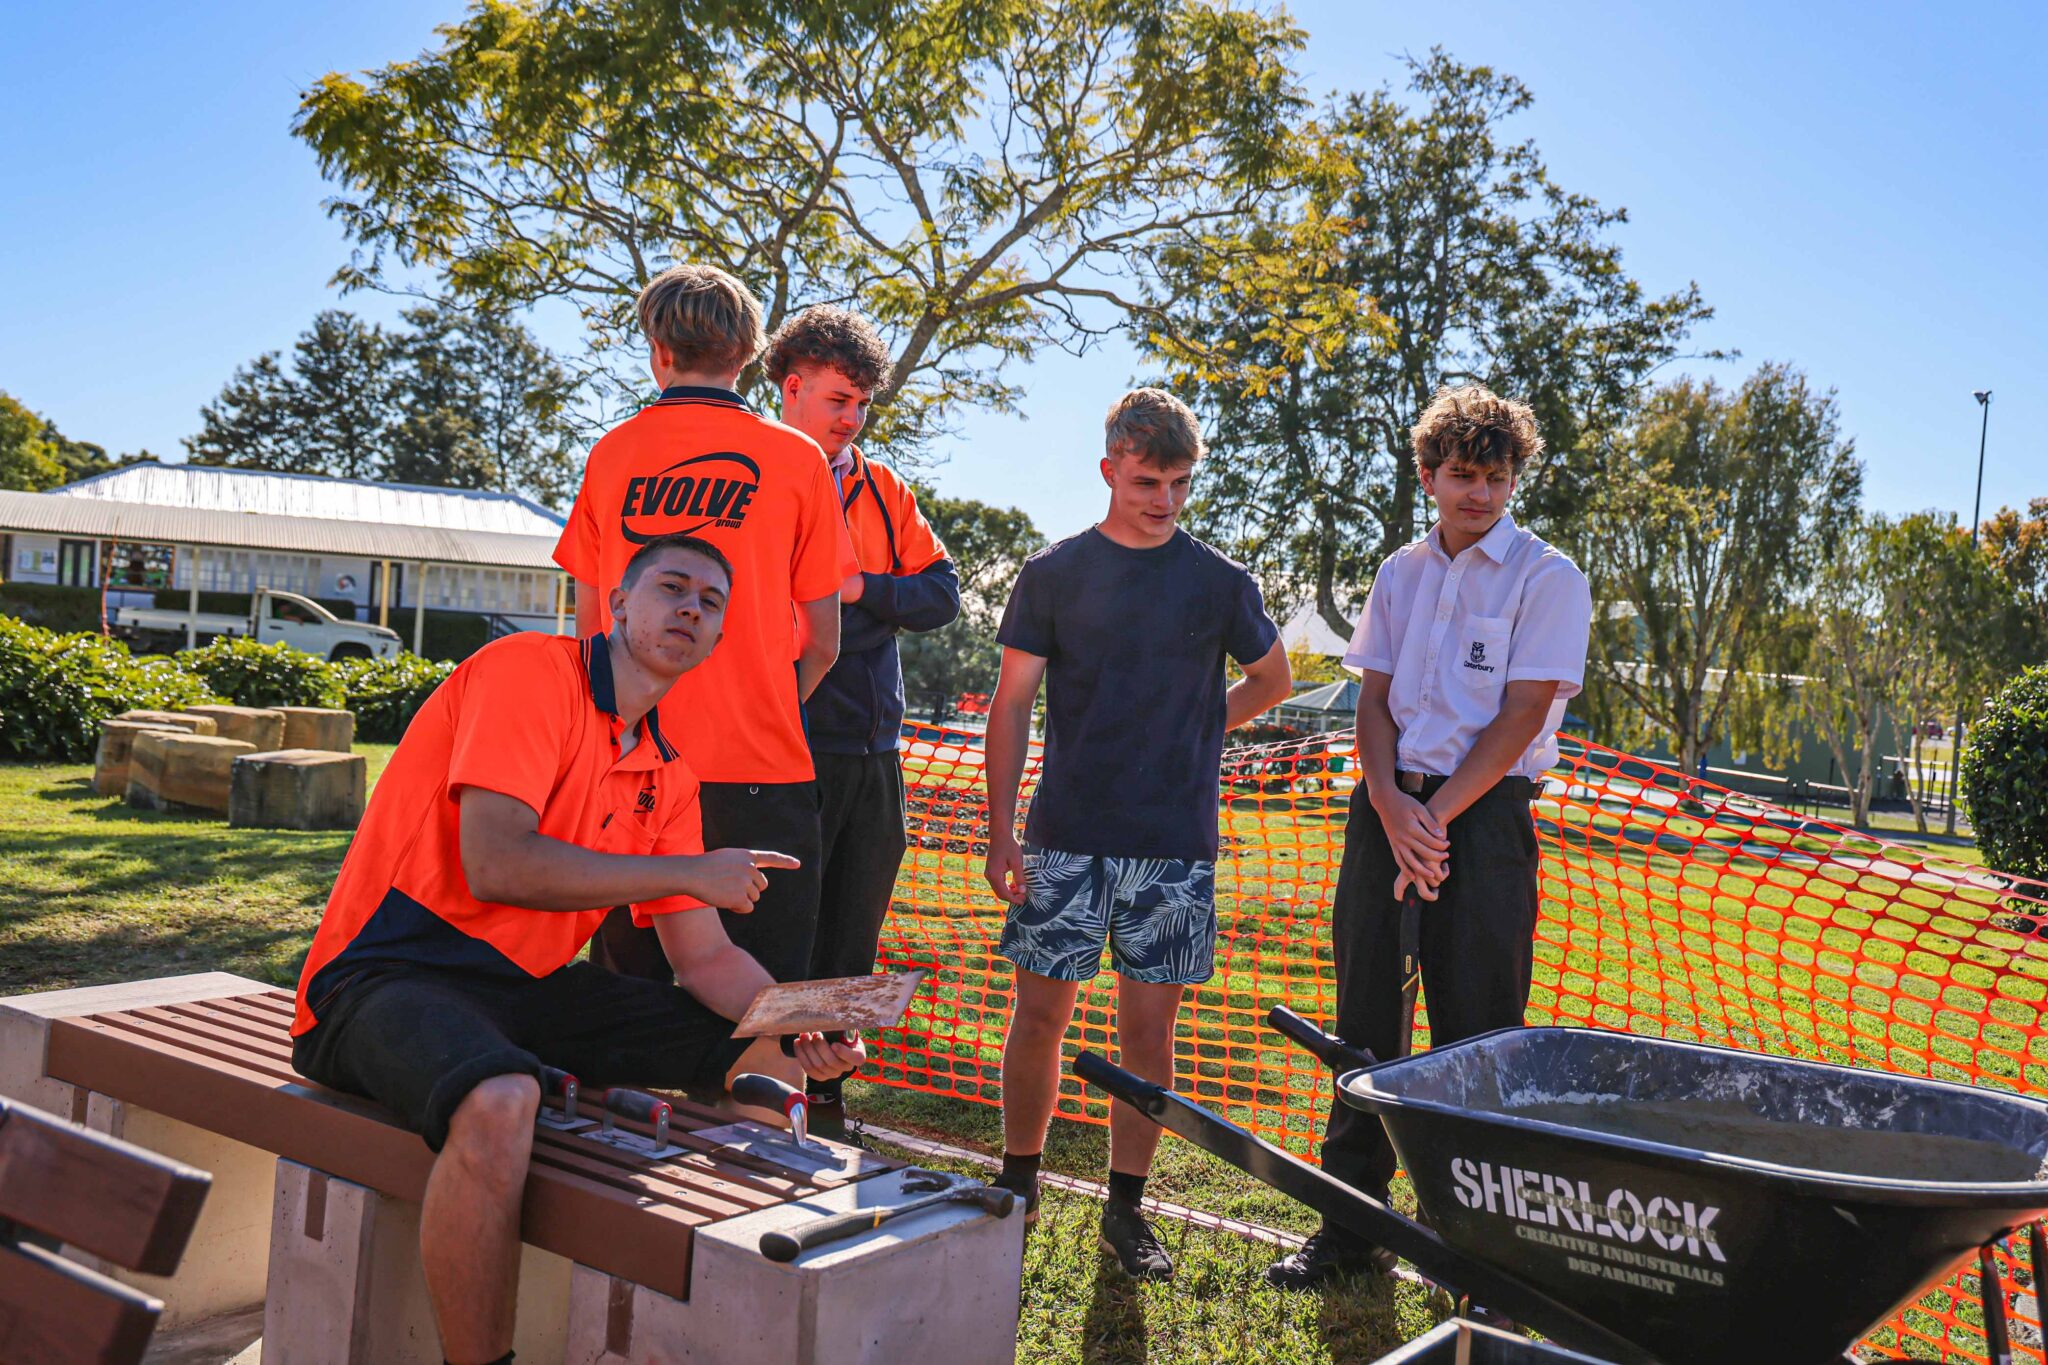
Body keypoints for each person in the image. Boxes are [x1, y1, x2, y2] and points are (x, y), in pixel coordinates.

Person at [291, 534, 865, 1365]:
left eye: (711, 603)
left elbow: (703, 960)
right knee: (499, 1098)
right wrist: (687, 870)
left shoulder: (667, 770)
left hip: (520, 991)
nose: (691, 609)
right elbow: (498, 862)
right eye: (672, 587)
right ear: (619, 603)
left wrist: (806, 1019)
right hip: (380, 975)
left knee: (760, 1050)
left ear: (716, 639)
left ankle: (719, 1327)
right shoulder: (528, 672)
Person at [1266, 385, 1592, 1290]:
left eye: (1496, 476)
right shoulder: (1401, 571)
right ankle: (1350, 1228)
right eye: (1460, 475)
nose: (1478, 494)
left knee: (1476, 1030)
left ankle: (1479, 1249)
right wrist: (1388, 802)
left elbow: (1525, 712)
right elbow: (1372, 698)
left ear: (1515, 478)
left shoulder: (1547, 577)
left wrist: (1434, 818)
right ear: (1428, 476)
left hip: (1480, 819)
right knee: (1366, 1018)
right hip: (1385, 810)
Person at [981, 388, 1292, 1278]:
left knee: (1148, 1037)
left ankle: (1127, 1209)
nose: (1164, 499)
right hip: (1066, 835)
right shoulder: (1052, 573)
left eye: (1180, 483)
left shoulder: (1221, 581)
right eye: (1148, 480)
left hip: (1173, 842)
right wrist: (1001, 830)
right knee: (1038, 1016)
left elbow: (1272, 678)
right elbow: (1011, 705)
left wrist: (1202, 727)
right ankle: (1020, 1182)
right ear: (1110, 468)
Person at [555, 264, 858, 987]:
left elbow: (591, 635)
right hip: (764, 773)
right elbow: (824, 638)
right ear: (749, 356)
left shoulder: (611, 454)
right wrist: (770, 702)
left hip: (635, 768)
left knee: (630, 1010)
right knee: (764, 1009)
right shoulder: (798, 460)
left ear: (658, 351)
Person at [767, 306, 961, 1130]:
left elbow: (941, 596)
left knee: (852, 936)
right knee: (782, 933)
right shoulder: (757, 477)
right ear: (792, 388)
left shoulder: (884, 489)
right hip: (779, 747)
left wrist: (857, 594)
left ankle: (829, 1102)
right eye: (839, 398)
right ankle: (767, 1098)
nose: (850, 418)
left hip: (877, 750)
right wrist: (864, 609)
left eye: (863, 404)